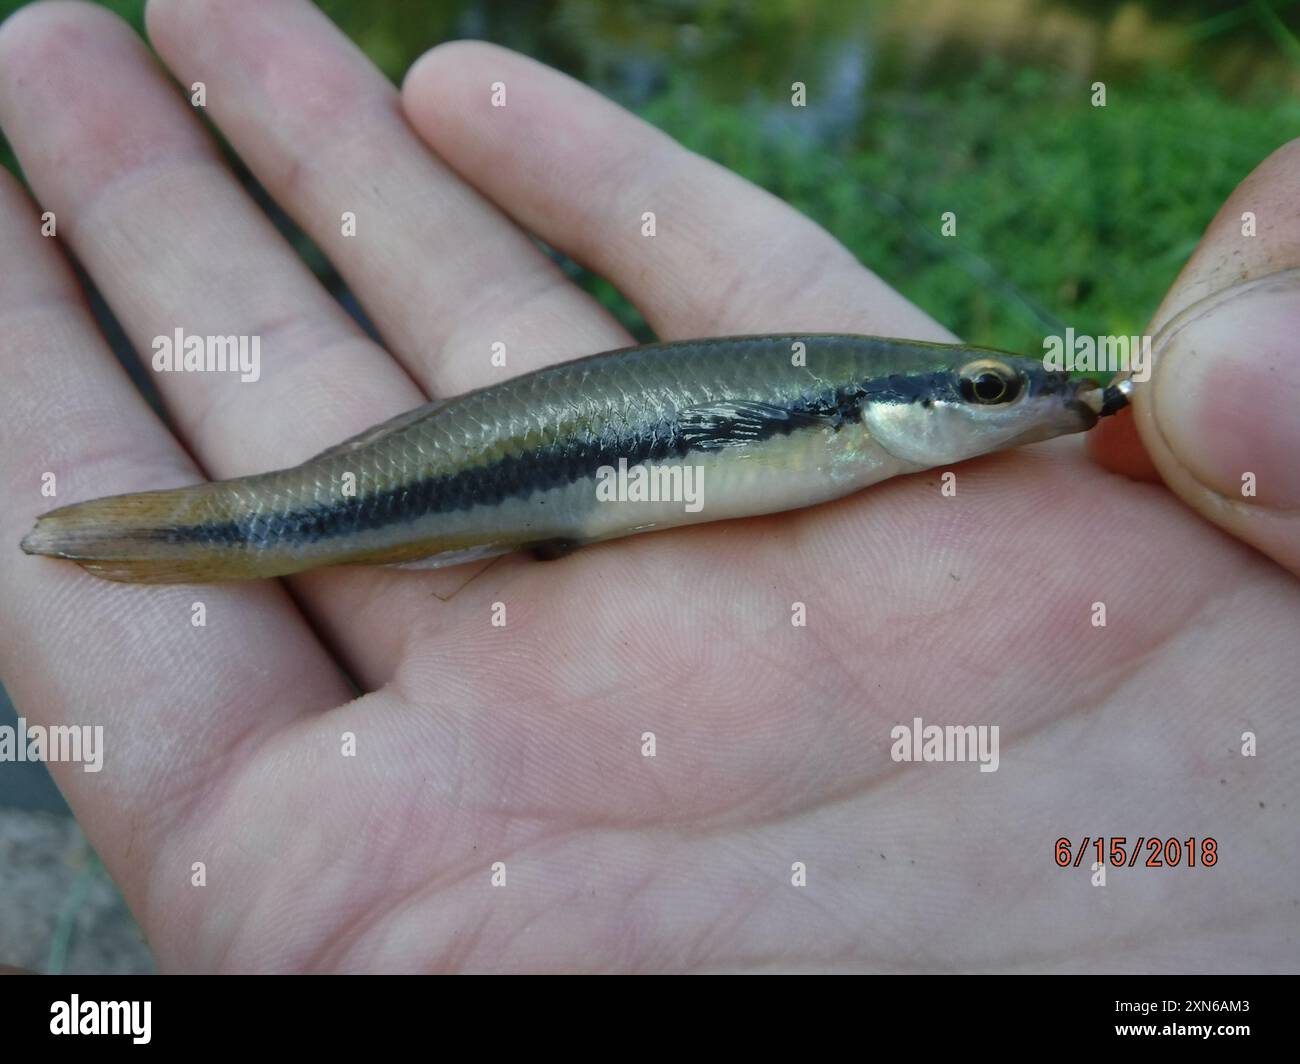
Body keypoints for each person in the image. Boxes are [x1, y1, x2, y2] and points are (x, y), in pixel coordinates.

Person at [0, 0, 1294, 972]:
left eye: (1003, 392)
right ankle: (221, 532)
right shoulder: (861, 415)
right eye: (991, 394)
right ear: (890, 413)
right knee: (300, 514)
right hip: (500, 472)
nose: (1018, 409)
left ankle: (227, 529)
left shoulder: (885, 426)